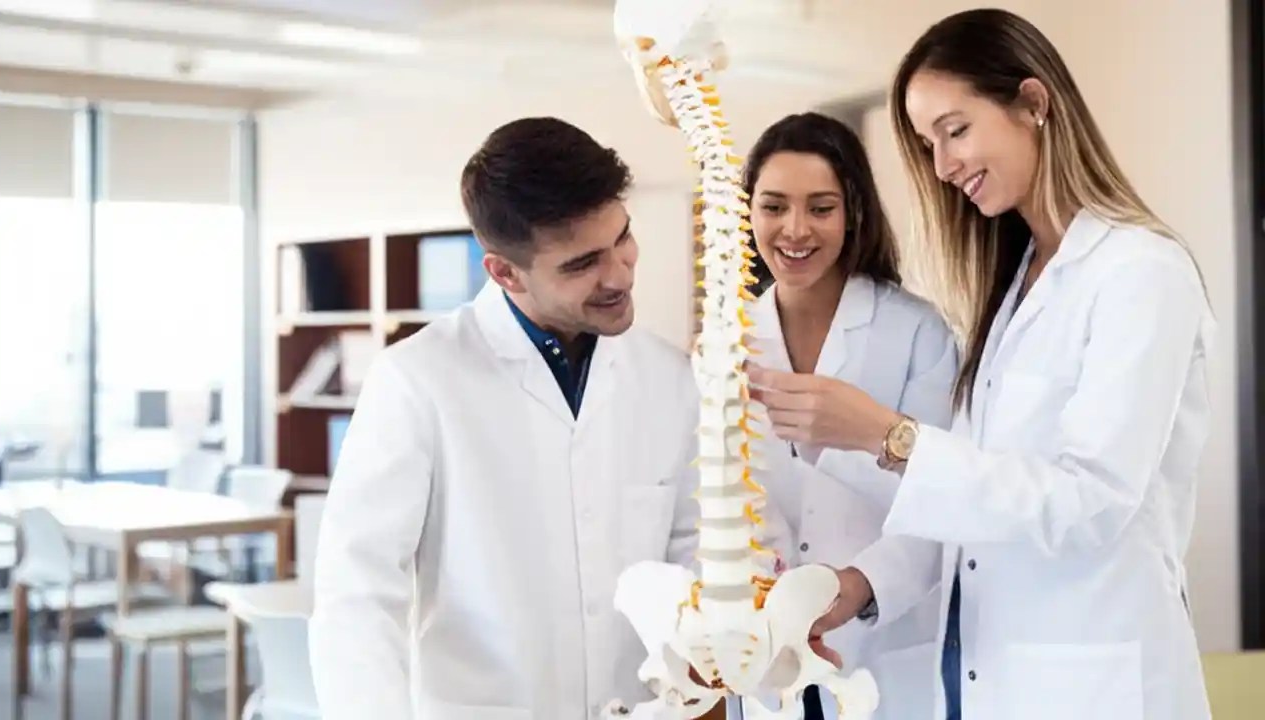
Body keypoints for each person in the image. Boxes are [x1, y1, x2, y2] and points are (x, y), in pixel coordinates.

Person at [750, 8, 1214, 720]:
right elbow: (975, 489)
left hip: (1093, 679)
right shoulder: (1017, 285)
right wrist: (853, 580)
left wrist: (885, 435)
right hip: (989, 674)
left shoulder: (1139, 272)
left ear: (1033, 103)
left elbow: (1090, 502)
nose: (942, 166)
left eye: (955, 129)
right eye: (928, 143)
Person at [308, 117, 704, 720]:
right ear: (503, 271)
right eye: (582, 263)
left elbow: (692, 550)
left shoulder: (668, 375)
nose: (619, 274)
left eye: (622, 238)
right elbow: (357, 594)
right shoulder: (418, 380)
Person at [741, 112, 956, 720]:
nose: (795, 229)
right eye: (774, 206)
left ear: (853, 212)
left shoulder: (917, 332)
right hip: (766, 651)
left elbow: (946, 496)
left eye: (821, 208)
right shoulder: (728, 341)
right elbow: (721, 502)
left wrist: (858, 586)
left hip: (879, 642)